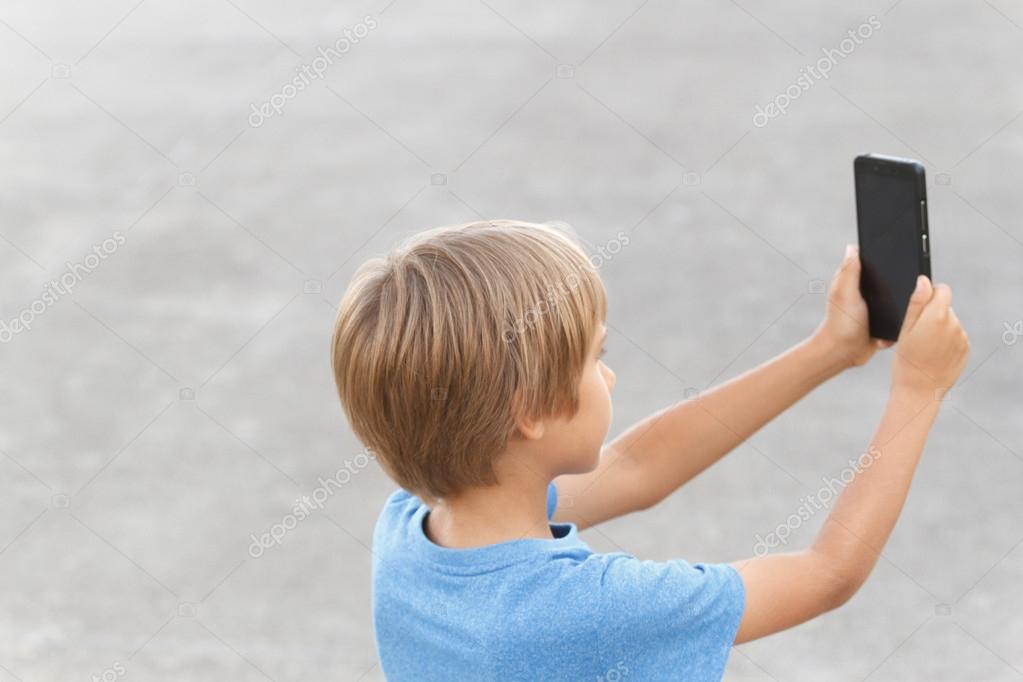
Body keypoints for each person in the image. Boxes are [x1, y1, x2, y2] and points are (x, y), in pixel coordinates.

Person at [330, 219, 969, 680]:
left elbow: (640, 467)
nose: (608, 377)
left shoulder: (407, 532)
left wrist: (829, 350)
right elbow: (828, 574)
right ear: (529, 411)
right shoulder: (591, 608)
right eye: (595, 359)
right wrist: (918, 391)